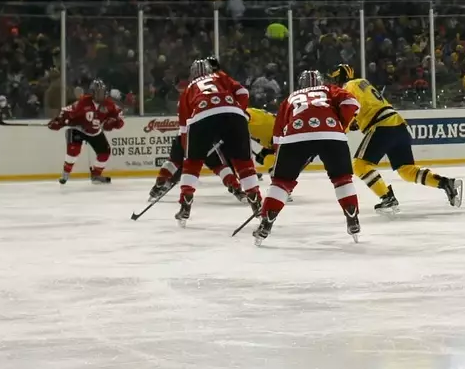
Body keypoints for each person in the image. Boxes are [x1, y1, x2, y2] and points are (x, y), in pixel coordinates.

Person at [252, 70, 363, 244]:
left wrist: (282, 158)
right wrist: (341, 123)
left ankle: (266, 221)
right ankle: (352, 218)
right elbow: (352, 103)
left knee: (281, 182)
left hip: (295, 136)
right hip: (332, 134)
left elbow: (278, 133)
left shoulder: (290, 97)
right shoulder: (328, 89)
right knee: (342, 179)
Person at [335, 63, 462, 212]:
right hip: (398, 124)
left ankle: (387, 197)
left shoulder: (348, 87)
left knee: (359, 165)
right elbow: (365, 106)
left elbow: (351, 107)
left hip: (382, 125)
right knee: (406, 170)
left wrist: (343, 128)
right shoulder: (361, 83)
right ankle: (445, 183)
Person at [173, 57, 261, 224]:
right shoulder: (220, 76)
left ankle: (185, 202)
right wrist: (238, 111)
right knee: (243, 162)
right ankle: (255, 199)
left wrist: (189, 151)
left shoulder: (187, 91)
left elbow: (184, 127)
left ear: (192, 75)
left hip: (202, 117)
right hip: (233, 114)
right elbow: (243, 93)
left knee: (192, 163)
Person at [148, 103, 275, 202]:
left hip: (189, 134)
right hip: (205, 136)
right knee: (220, 166)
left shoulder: (194, 103)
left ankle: (158, 186)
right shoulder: (233, 113)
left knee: (176, 162)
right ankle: (236, 189)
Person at [47, 79, 124, 184]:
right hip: (78, 129)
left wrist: (114, 123)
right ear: (92, 93)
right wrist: (59, 122)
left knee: (105, 152)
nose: (101, 95)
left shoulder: (110, 104)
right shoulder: (83, 102)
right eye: (98, 92)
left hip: (95, 131)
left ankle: (96, 175)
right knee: (73, 151)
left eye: (102, 91)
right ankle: (65, 174)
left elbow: (119, 120)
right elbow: (66, 111)